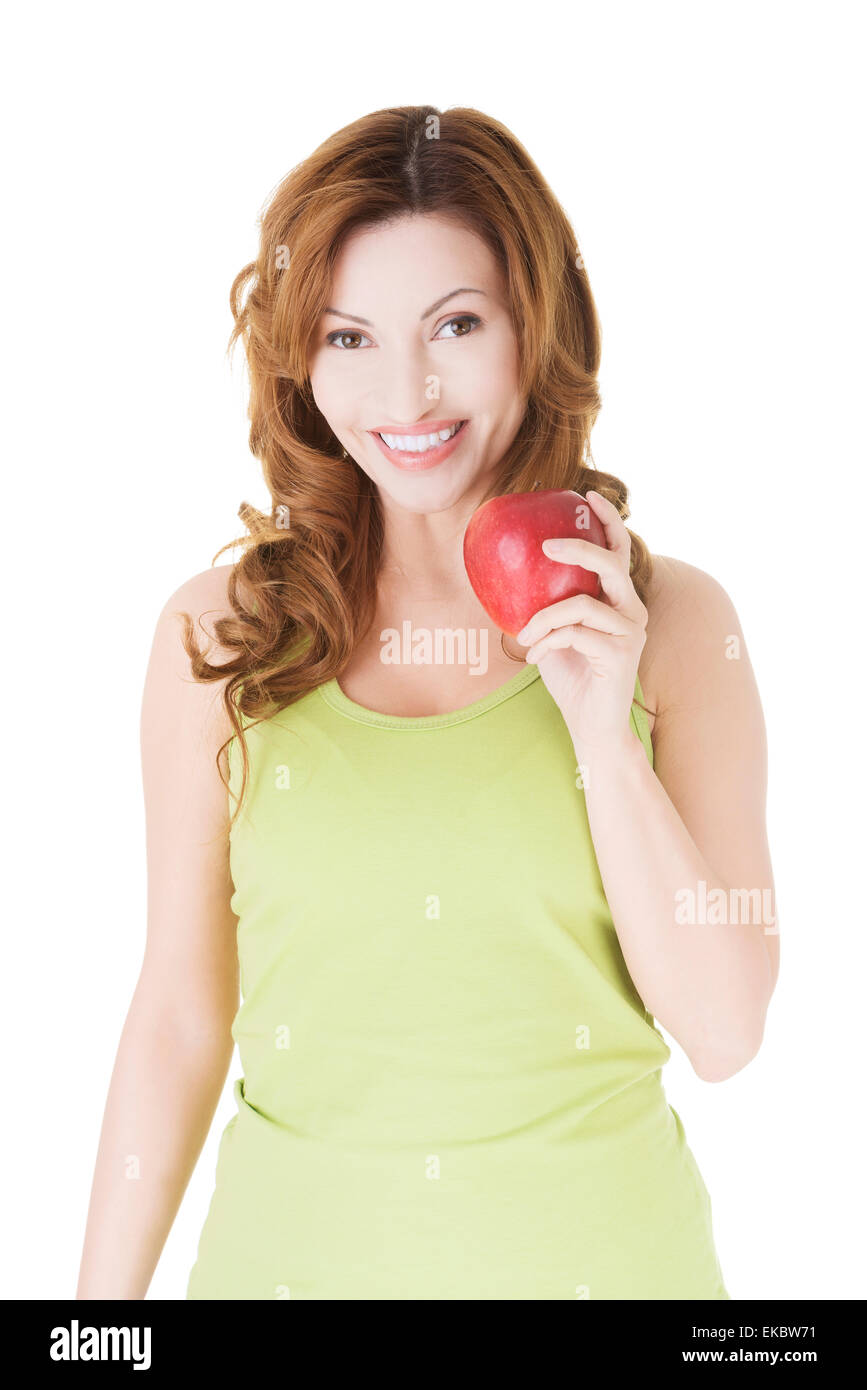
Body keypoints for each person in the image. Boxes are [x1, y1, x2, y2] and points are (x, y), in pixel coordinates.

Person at [76, 104, 778, 1301]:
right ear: (300, 359)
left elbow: (724, 1033)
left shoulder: (676, 626)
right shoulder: (221, 636)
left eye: (455, 324)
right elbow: (180, 1019)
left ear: (534, 328)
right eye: (349, 339)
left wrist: (603, 735)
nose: (405, 392)